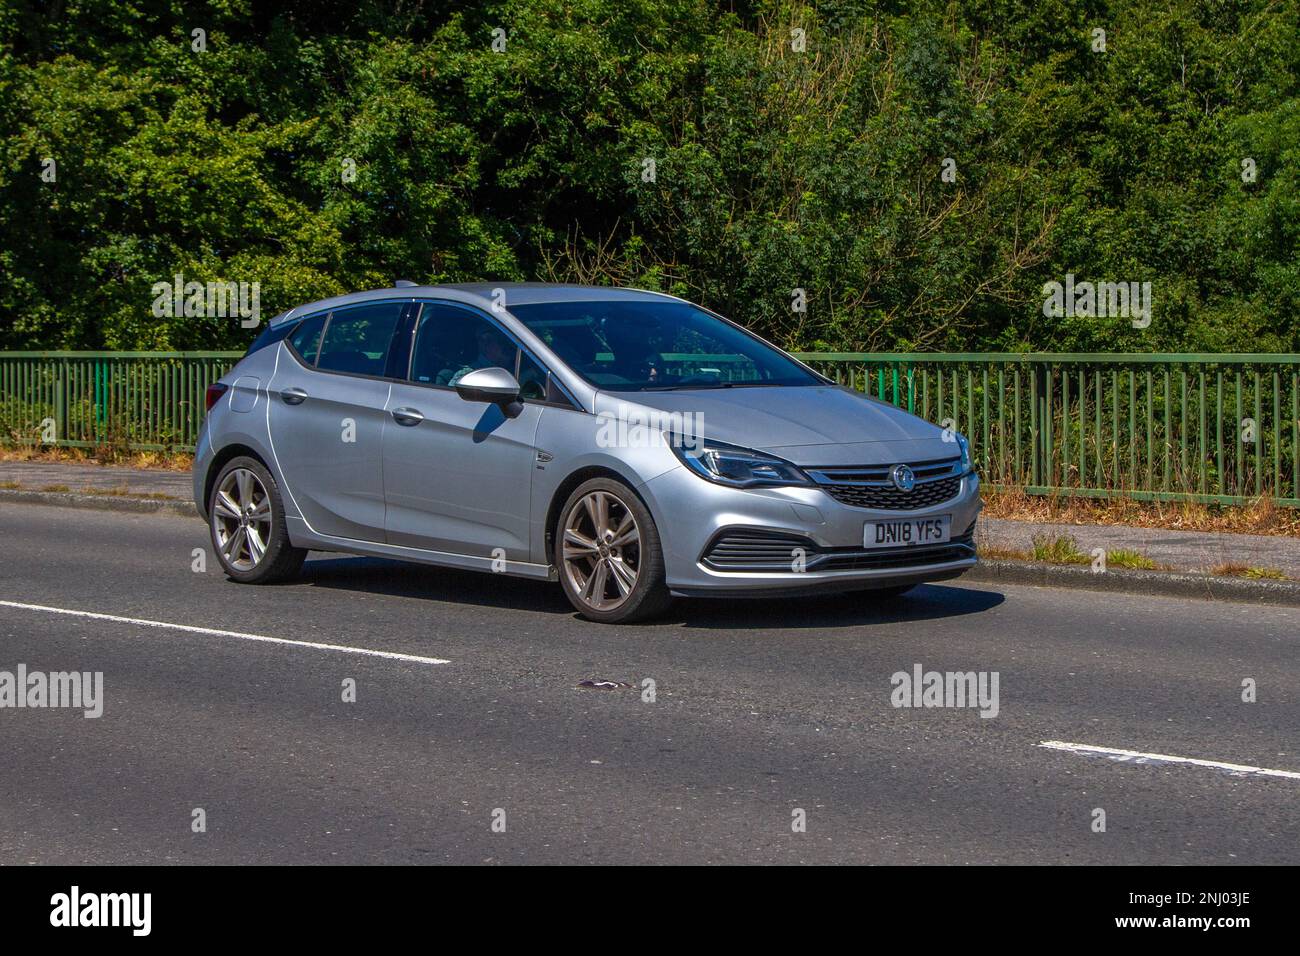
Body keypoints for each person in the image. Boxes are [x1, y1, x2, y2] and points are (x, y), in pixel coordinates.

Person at [447, 325, 514, 386]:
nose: (506, 346)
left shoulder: (517, 369)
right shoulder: (468, 375)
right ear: (485, 344)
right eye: (500, 340)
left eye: (506, 341)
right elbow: (450, 397)